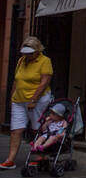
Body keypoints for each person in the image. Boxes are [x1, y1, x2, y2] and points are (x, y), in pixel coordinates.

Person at [3, 35, 53, 169]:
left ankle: (39, 157)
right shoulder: (21, 60)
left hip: (37, 100)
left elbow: (44, 83)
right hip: (19, 99)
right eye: (25, 53)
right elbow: (16, 80)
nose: (27, 56)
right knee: (16, 129)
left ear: (38, 51)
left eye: (30, 54)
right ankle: (10, 159)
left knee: (37, 128)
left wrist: (33, 100)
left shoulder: (44, 61)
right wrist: (12, 97)